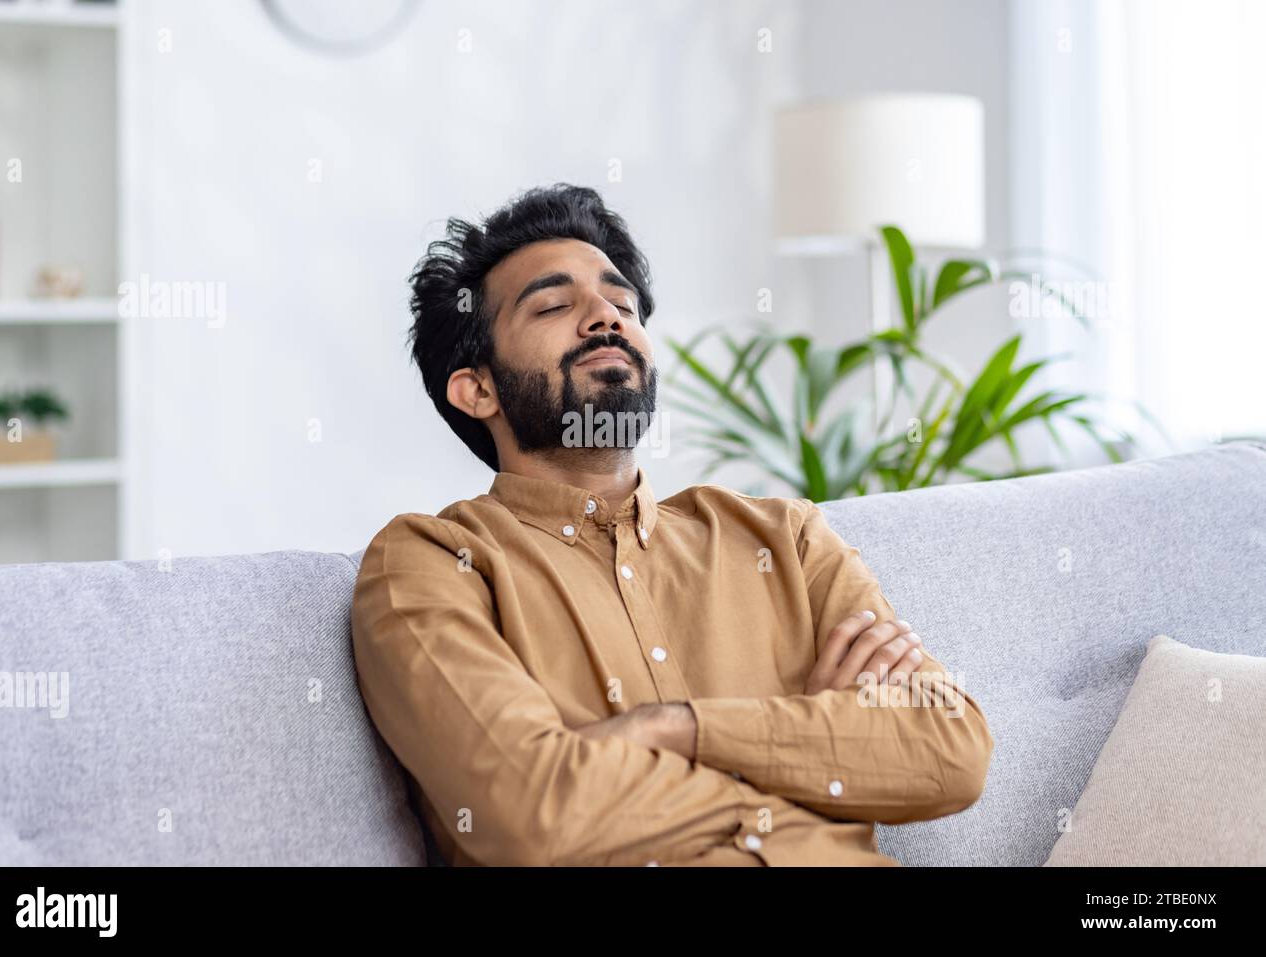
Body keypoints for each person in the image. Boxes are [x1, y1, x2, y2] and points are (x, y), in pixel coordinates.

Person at [350, 183, 994, 866]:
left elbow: (950, 750)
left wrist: (675, 727)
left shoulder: (787, 539)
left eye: (623, 303)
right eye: (554, 304)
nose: (606, 316)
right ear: (476, 388)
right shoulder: (431, 562)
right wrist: (808, 747)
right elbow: (529, 810)